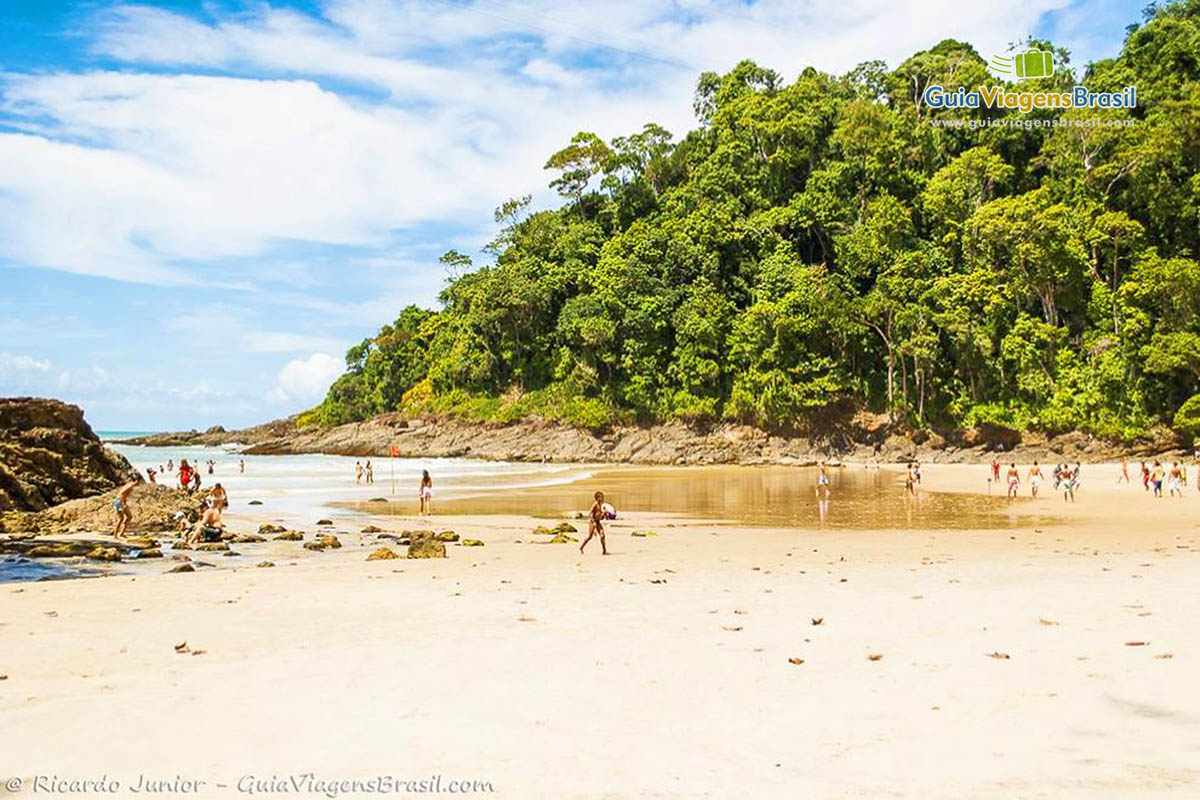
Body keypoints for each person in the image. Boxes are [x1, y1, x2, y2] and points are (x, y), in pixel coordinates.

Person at [580, 490, 608, 555]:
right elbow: (590, 513)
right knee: (590, 536)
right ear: (597, 498)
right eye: (601, 497)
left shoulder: (601, 505)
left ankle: (604, 550)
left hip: (598, 522)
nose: (602, 498)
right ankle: (581, 547)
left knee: (602, 535)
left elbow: (600, 516)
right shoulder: (595, 504)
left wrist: (604, 514)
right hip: (592, 522)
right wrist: (593, 522)